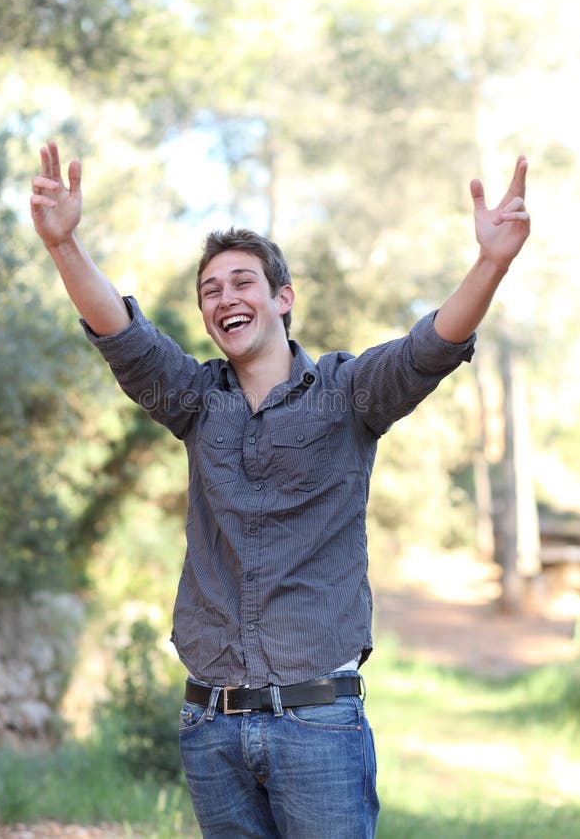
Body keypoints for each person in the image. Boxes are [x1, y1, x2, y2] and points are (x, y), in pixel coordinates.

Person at [30, 141, 529, 838]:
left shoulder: (349, 393)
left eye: (242, 282)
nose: (225, 298)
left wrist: (491, 262)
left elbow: (429, 348)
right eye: (210, 290)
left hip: (317, 722)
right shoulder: (193, 400)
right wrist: (65, 246)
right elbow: (122, 335)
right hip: (209, 723)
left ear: (281, 298)